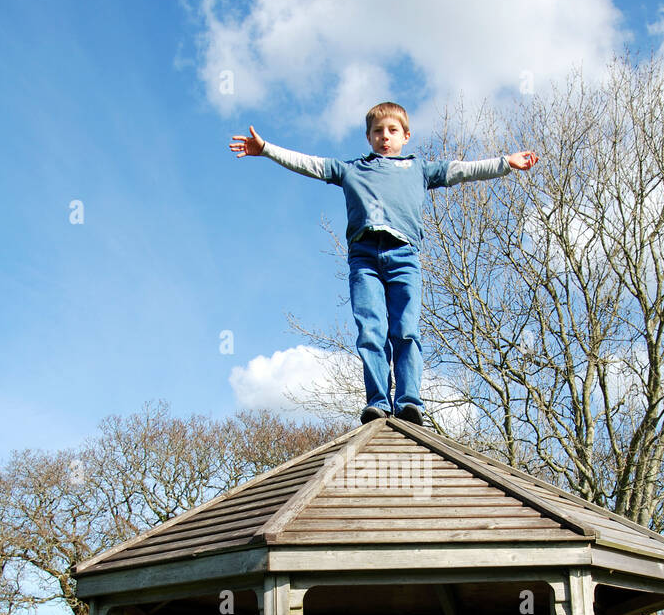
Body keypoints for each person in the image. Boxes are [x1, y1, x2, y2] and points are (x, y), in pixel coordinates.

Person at [229, 102, 537, 426]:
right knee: (371, 331)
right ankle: (377, 402)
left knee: (405, 330)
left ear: (405, 136)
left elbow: (462, 170)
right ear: (368, 137)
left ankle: (408, 402)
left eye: (392, 131)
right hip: (364, 259)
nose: (384, 137)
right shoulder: (352, 169)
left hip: (404, 256)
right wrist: (266, 149)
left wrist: (505, 163)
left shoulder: (419, 169)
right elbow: (310, 164)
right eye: (377, 131)